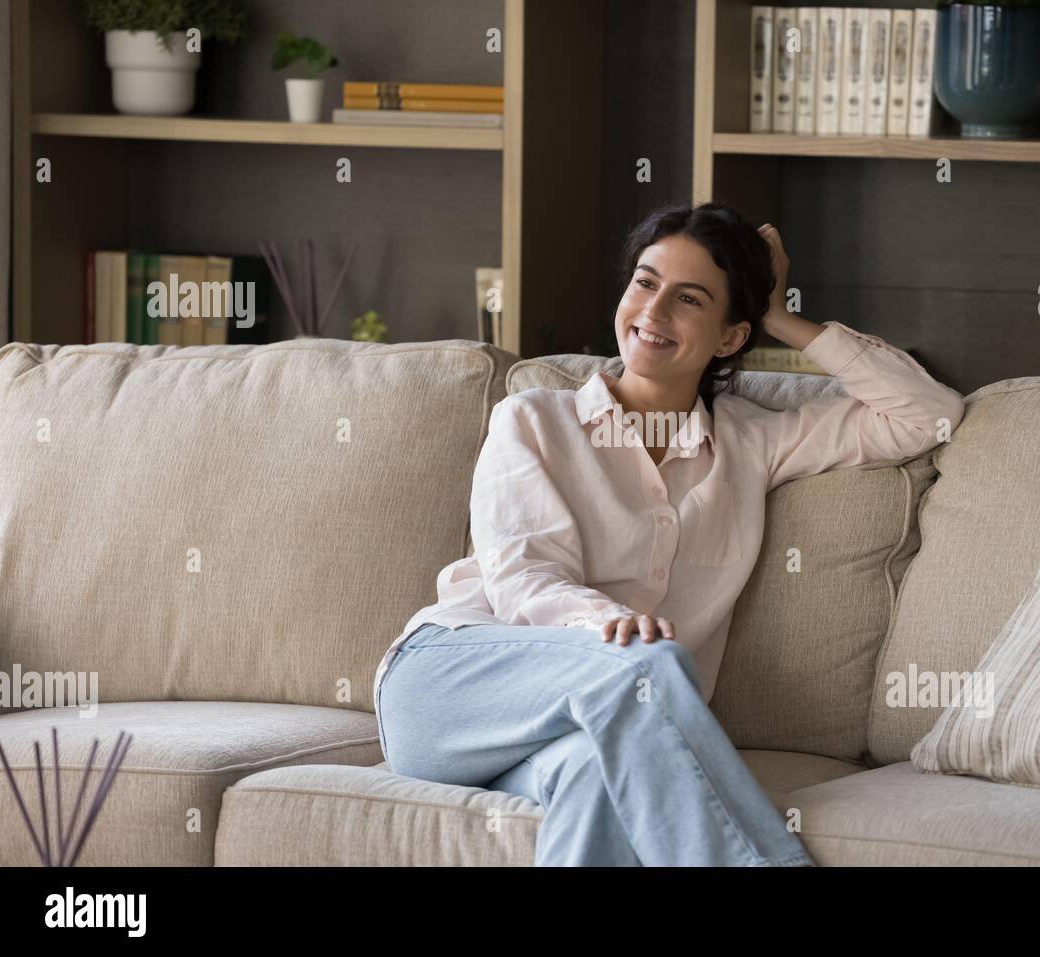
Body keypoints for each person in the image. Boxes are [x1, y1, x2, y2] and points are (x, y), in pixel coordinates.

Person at [374, 202, 965, 866]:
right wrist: (617, 629)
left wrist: (782, 316)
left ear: (730, 337)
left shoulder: (751, 441)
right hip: (449, 684)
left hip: (599, 721)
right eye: (645, 283)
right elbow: (522, 581)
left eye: (689, 299)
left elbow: (930, 414)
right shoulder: (534, 420)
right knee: (650, 668)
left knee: (596, 783)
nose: (653, 313)